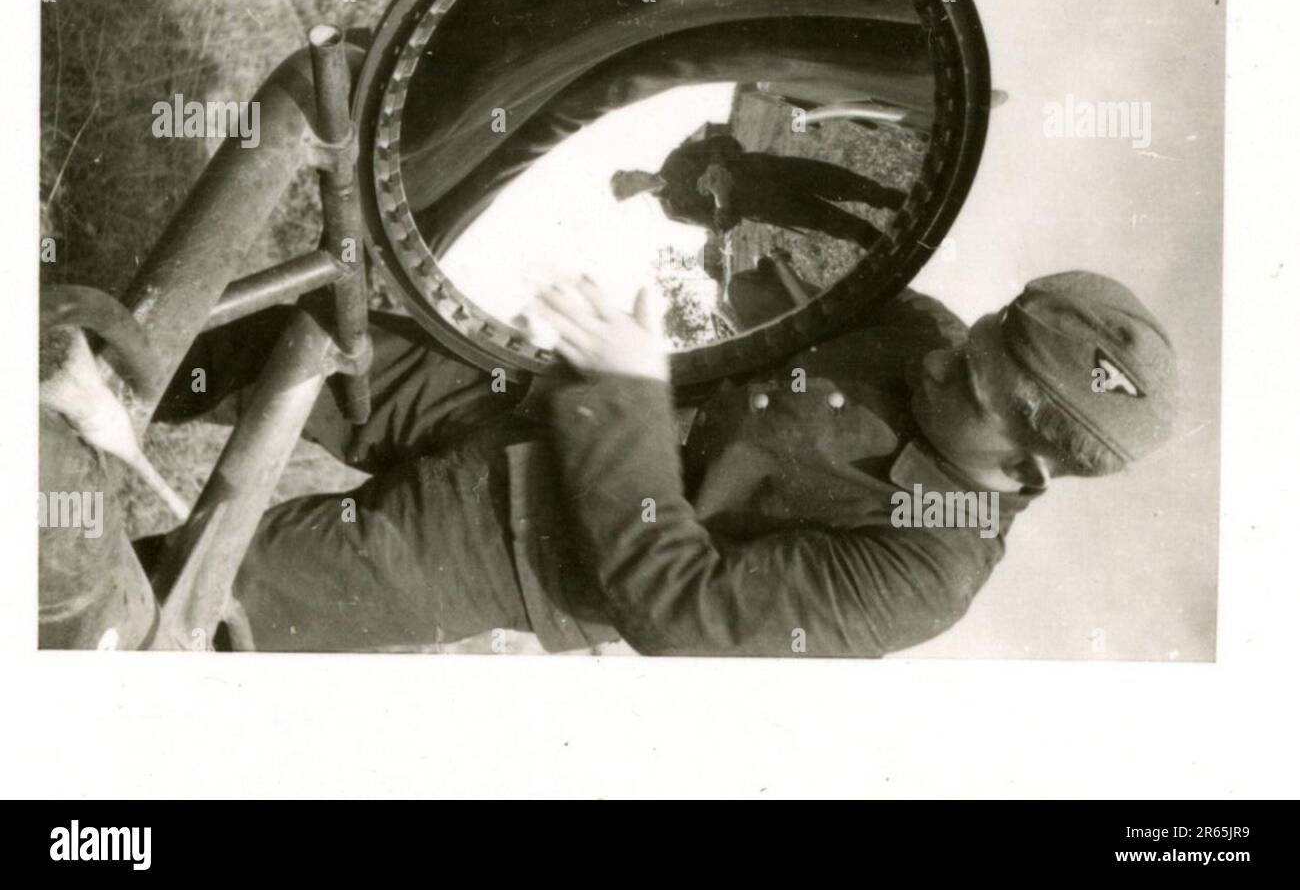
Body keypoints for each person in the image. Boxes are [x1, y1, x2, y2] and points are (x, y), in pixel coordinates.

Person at [148, 271, 1177, 657]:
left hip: (501, 551)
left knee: (188, 595)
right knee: (263, 336)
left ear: (1029, 466)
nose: (940, 352)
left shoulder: (925, 576)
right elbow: (768, 302)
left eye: (969, 381)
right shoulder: (920, 324)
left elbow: (682, 609)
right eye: (978, 330)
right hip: (512, 398)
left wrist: (630, 396)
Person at [610, 132, 906, 247]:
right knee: (842, 226)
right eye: (630, 183)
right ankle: (894, 249)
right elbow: (719, 226)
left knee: (853, 185)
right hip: (769, 206)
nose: (636, 176)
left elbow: (724, 141)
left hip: (774, 169)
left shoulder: (675, 160)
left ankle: (907, 204)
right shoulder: (672, 210)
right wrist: (721, 199)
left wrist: (715, 164)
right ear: (634, 195)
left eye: (630, 172)